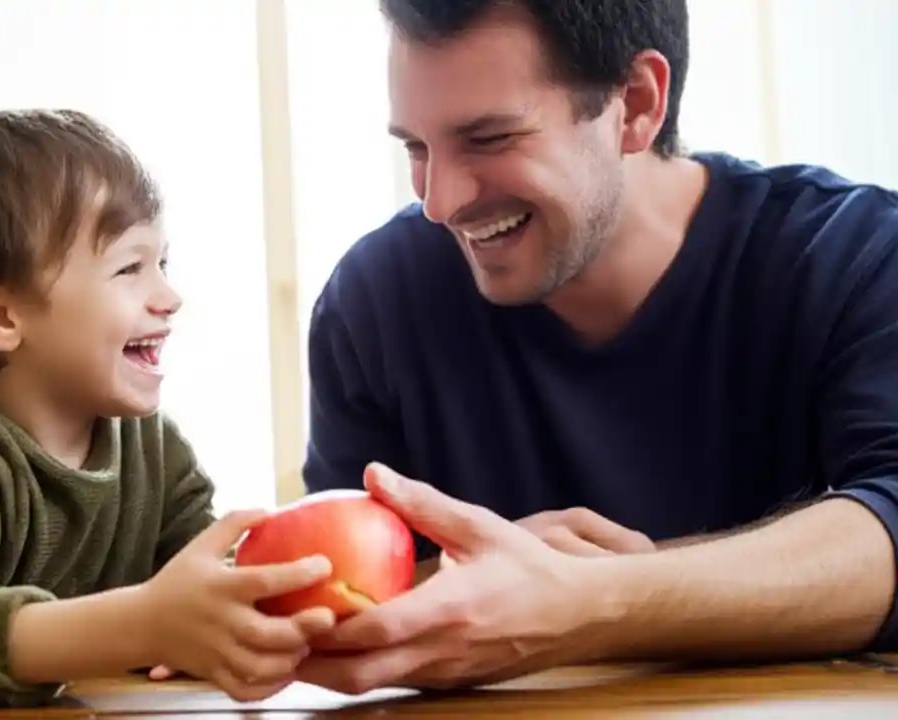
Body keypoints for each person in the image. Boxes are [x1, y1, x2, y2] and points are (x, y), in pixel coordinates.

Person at [297, 0, 898, 694]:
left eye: (490, 138)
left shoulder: (853, 256)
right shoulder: (375, 301)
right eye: (416, 147)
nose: (440, 200)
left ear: (637, 105)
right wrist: (479, 583)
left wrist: (596, 601)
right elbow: (340, 588)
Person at [0, 109, 337, 707]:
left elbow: (204, 584)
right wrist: (138, 625)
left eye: (162, 264)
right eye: (130, 267)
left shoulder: (154, 450)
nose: (169, 297)